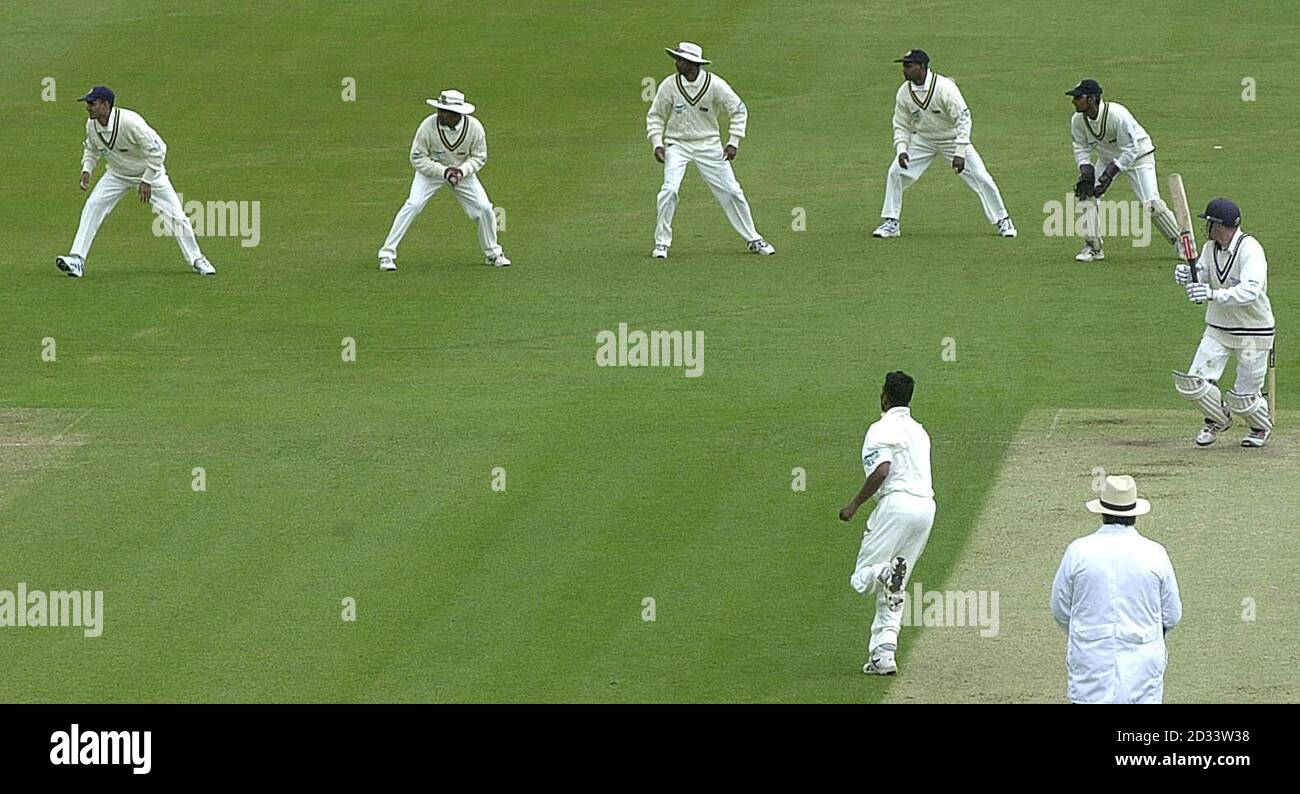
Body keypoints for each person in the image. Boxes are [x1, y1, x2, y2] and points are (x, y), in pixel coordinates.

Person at [56, 86, 214, 278]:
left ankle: (197, 259)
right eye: (87, 103)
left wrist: (146, 180)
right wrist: (87, 170)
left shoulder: (131, 123)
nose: (87, 108)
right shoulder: (92, 125)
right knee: (93, 205)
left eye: (92, 103)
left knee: (176, 216)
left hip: (149, 174)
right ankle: (77, 259)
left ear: (105, 105)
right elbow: (91, 148)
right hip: (117, 174)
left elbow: (159, 150)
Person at [1051, 475, 1182, 704]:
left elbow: (1060, 608)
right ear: (1134, 514)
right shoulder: (1155, 553)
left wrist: (1085, 633)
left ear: (1101, 512)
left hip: (1090, 659)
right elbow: (1171, 615)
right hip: (1142, 663)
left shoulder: (1078, 551)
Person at [838, 371, 935, 675]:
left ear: (885, 397)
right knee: (896, 588)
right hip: (926, 508)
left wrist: (853, 505)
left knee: (863, 577)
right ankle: (884, 654)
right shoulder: (920, 431)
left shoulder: (880, 429)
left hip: (897, 506)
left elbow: (882, 470)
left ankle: (883, 571)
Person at [646, 42, 775, 260]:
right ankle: (661, 243)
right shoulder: (669, 85)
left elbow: (739, 110)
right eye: (677, 59)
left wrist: (733, 142)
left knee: (732, 191)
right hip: (677, 145)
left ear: (693, 64)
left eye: (682, 60)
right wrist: (657, 143)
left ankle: (753, 238)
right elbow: (656, 116)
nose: (677, 63)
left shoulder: (715, 85)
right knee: (669, 190)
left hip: (709, 144)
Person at [872, 50, 1016, 239]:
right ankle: (891, 222)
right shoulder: (904, 93)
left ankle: (1003, 220)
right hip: (923, 140)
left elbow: (963, 119)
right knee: (895, 173)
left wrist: (960, 152)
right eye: (904, 66)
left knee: (982, 177)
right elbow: (900, 124)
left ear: (921, 67)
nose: (904, 70)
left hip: (951, 139)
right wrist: (901, 150)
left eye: (909, 66)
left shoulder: (944, 88)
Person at [1173, 198, 1275, 447]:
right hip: (1218, 328)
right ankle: (1216, 419)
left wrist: (1211, 294)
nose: (1206, 226)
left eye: (1209, 222)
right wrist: (1189, 275)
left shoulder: (1250, 249)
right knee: (1193, 383)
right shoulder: (1211, 248)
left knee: (1243, 397)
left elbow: (1250, 291)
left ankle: (1260, 428)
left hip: (1254, 332)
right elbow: (1205, 273)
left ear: (1220, 225)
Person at [378, 90, 510, 271]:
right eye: (439, 109)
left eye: (444, 111)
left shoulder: (475, 128)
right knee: (413, 204)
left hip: (462, 174)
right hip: (431, 172)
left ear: (457, 114)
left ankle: (493, 253)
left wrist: (461, 171)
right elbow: (417, 157)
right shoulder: (427, 126)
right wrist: (444, 171)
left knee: (484, 208)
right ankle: (387, 254)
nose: (439, 113)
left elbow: (480, 156)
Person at [1066, 79, 1182, 262]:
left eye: (1078, 97)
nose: (1074, 101)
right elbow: (1080, 147)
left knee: (1152, 204)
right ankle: (1093, 247)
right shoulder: (1077, 120)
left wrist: (1109, 174)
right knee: (1085, 196)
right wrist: (1086, 170)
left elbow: (1130, 149)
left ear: (1093, 98)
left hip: (1139, 158)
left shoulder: (1117, 115)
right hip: (1106, 158)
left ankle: (1181, 242)